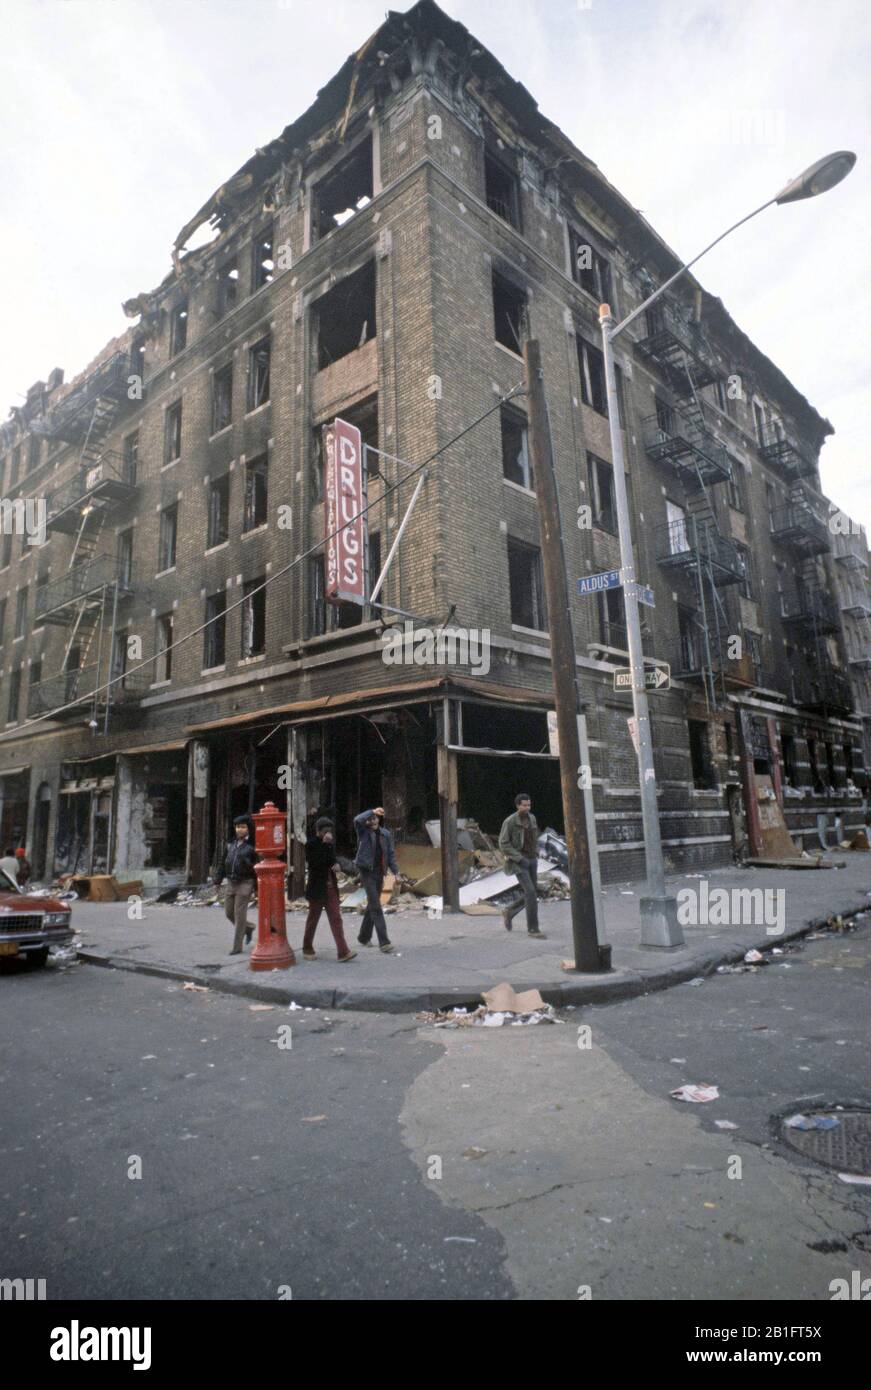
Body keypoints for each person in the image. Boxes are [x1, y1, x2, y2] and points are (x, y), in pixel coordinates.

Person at [302, 818, 357, 962]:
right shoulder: (311, 844)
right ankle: (307, 947)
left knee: (336, 918)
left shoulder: (329, 844)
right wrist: (325, 846)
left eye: (329, 831)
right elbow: (315, 863)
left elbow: (331, 860)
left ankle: (343, 951)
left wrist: (337, 864)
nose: (328, 834)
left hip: (330, 886)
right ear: (318, 831)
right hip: (317, 888)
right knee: (313, 918)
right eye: (325, 831)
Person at [498, 793, 547, 938]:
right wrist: (519, 858)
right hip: (519, 862)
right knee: (531, 892)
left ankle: (509, 911)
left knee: (532, 893)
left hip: (532, 860)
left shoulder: (532, 818)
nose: (527, 808)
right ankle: (533, 929)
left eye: (529, 805)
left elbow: (534, 836)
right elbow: (503, 843)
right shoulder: (510, 821)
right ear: (518, 805)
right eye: (524, 805)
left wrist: (537, 851)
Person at [353, 805, 398, 952]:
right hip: (367, 872)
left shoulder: (385, 834)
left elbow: (390, 854)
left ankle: (363, 937)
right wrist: (372, 811)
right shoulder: (363, 832)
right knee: (376, 907)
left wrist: (396, 872)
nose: (372, 820)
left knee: (373, 904)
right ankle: (384, 942)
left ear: (379, 819)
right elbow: (357, 820)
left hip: (380, 873)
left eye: (375, 818)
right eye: (370, 819)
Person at [216, 815, 258, 955]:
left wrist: (257, 888)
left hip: (245, 883)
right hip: (231, 882)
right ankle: (249, 928)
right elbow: (223, 863)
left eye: (243, 827)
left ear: (248, 829)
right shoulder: (231, 845)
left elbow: (257, 869)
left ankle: (237, 947)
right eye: (237, 827)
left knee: (239, 915)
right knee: (229, 913)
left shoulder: (252, 847)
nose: (240, 830)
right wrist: (217, 880)